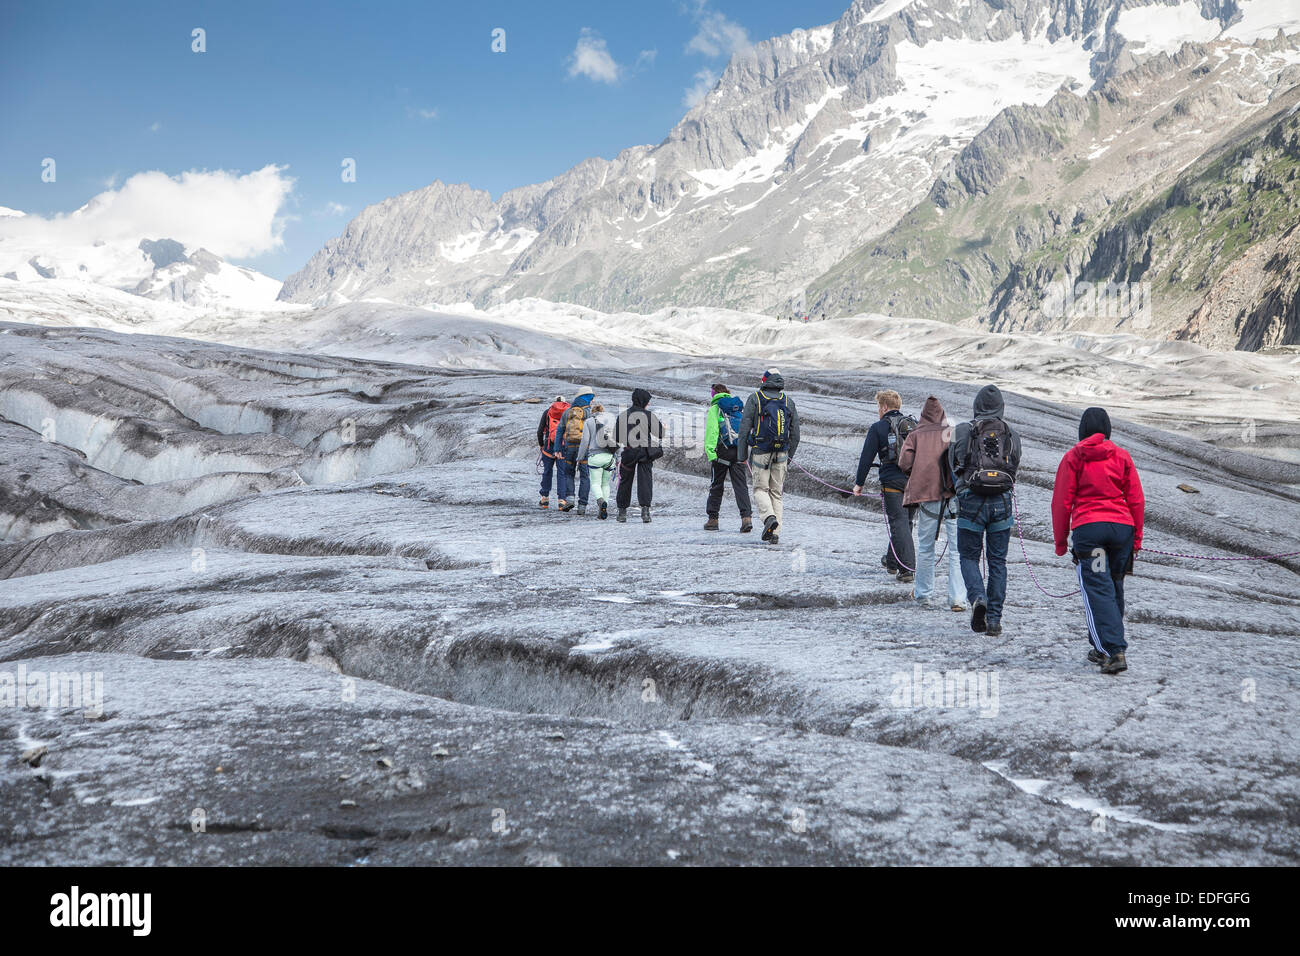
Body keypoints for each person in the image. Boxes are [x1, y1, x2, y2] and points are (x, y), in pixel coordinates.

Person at [1051, 407, 1145, 675]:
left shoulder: (1073, 457)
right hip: (1121, 531)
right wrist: (1136, 539)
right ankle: (1104, 646)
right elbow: (1136, 499)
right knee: (1114, 584)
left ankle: (1113, 650)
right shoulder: (1122, 455)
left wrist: (1060, 541)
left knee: (1097, 588)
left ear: (1082, 429)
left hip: (1090, 530)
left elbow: (1061, 502)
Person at [949, 385, 1022, 637]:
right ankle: (994, 620)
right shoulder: (1011, 433)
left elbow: (952, 465)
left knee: (968, 556)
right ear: (1001, 407)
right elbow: (1014, 467)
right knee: (997, 562)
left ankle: (978, 597)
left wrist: (960, 490)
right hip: (1001, 502)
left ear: (976, 405)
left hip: (970, 501)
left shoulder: (961, 430)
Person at [899, 395, 963, 610]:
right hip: (952, 496)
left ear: (924, 414)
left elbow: (904, 462)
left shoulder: (916, 434)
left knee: (926, 547)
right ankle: (957, 599)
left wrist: (917, 475)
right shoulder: (951, 432)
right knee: (957, 549)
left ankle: (923, 594)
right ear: (942, 412)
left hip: (927, 495)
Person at [853, 390, 917, 584]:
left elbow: (866, 458)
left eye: (878, 407)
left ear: (884, 407)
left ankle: (906, 569)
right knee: (905, 523)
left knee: (898, 522)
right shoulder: (913, 426)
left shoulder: (878, 427)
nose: (878, 411)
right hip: (916, 481)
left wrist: (859, 484)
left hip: (892, 481)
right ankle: (891, 561)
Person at [738, 368, 799, 545]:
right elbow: (795, 434)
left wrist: (742, 454)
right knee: (776, 493)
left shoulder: (755, 399)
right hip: (781, 452)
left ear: (765, 380)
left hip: (760, 452)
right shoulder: (788, 401)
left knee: (760, 489)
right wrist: (788, 456)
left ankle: (769, 518)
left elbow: (744, 429)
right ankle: (775, 534)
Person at [703, 383, 752, 533]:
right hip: (738, 451)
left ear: (713, 395)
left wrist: (710, 452)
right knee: (741, 486)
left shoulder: (715, 409)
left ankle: (713, 520)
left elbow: (712, 431)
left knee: (717, 485)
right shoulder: (737, 407)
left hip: (722, 452)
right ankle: (746, 519)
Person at [614, 388, 665, 523]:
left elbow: (617, 437)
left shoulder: (623, 415)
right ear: (643, 401)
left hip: (629, 451)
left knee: (625, 481)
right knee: (645, 481)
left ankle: (622, 512)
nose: (648, 404)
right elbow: (660, 434)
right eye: (647, 401)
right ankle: (645, 512)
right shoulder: (648, 415)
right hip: (645, 452)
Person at [554, 387, 595, 513]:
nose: (593, 401)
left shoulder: (568, 412)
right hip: (585, 448)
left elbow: (559, 430)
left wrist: (557, 448)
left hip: (569, 447)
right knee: (585, 476)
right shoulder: (589, 412)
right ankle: (582, 506)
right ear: (588, 398)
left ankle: (570, 499)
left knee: (569, 474)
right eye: (592, 398)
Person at [578, 404, 618, 520]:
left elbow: (585, 441)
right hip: (609, 457)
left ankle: (600, 501)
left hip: (595, 456)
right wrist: (619, 457)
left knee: (595, 483)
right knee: (605, 484)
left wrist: (580, 457)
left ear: (592, 412)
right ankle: (603, 508)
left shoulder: (589, 421)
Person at [536, 395, 568, 509]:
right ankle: (562, 500)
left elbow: (540, 431)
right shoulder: (568, 412)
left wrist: (541, 445)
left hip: (549, 445)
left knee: (547, 471)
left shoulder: (548, 411)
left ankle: (545, 498)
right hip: (564, 446)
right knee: (562, 473)